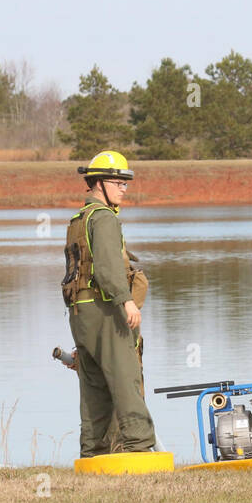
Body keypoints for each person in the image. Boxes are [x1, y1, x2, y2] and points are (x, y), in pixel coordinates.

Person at [61, 150, 156, 456]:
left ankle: (94, 455)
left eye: (125, 182)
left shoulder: (79, 218)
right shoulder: (103, 219)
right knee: (126, 378)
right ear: (98, 183)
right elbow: (106, 268)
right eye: (117, 182)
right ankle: (140, 449)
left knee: (93, 387)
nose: (123, 188)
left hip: (80, 314)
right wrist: (126, 301)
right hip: (104, 310)